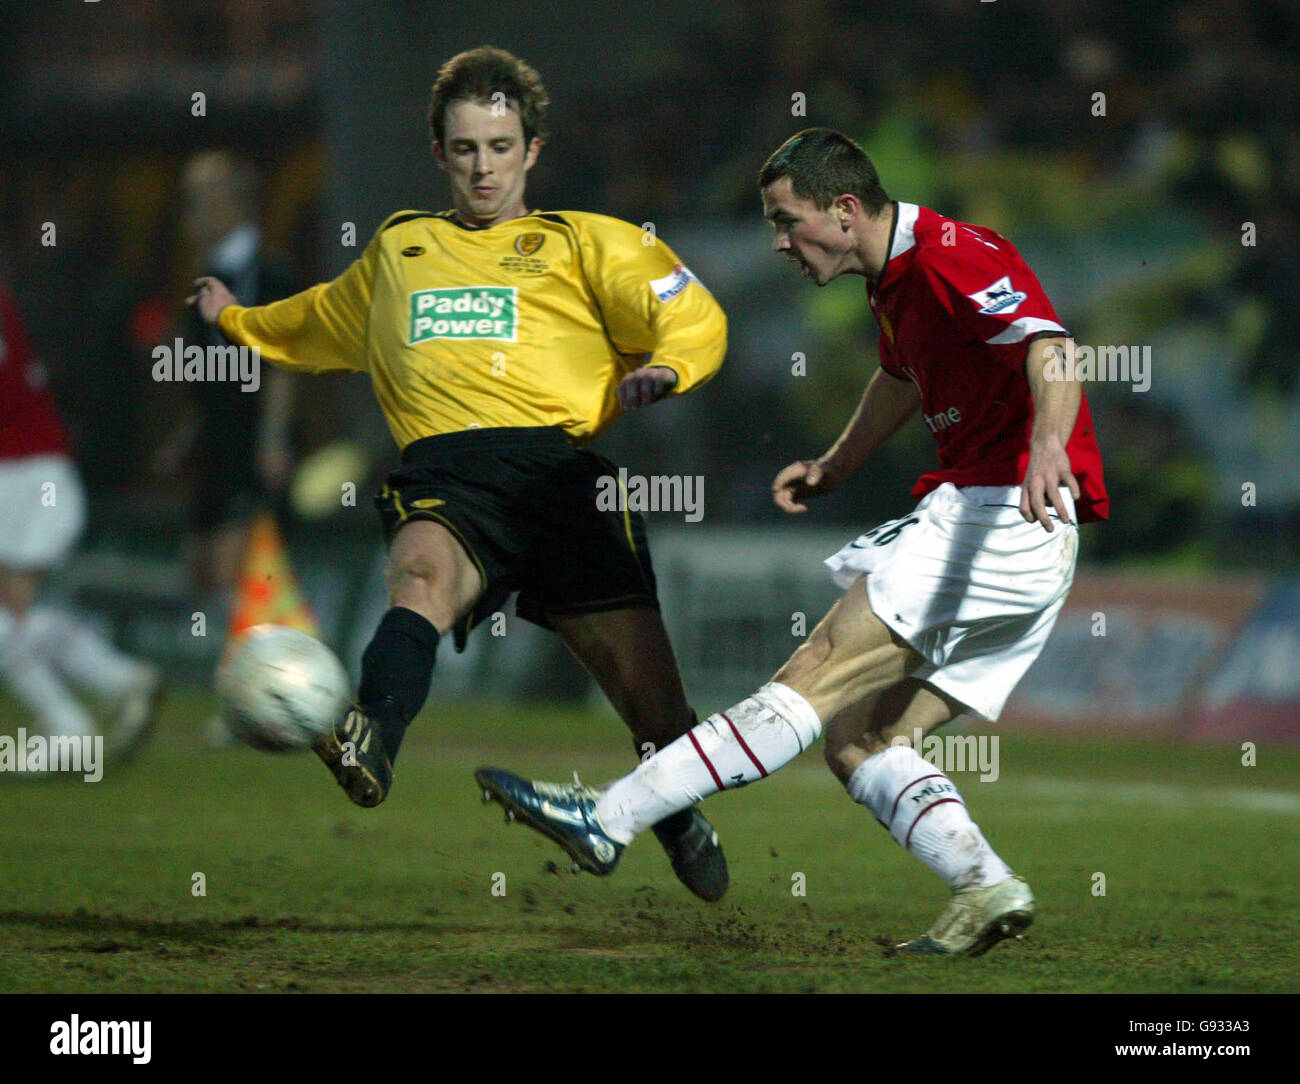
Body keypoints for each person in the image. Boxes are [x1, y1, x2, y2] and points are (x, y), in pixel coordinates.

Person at [476, 127, 1109, 955]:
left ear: (845, 211)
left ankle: (608, 818)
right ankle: (986, 886)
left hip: (1000, 514)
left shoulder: (956, 253)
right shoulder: (895, 282)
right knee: (860, 738)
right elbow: (898, 376)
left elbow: (1054, 350)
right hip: (1026, 542)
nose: (779, 243)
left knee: (813, 673)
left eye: (786, 221)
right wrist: (836, 463)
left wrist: (1050, 449)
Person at [187, 47, 731, 901]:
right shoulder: (399, 250)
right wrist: (238, 318)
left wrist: (668, 369)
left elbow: (690, 314)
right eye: (467, 148)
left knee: (653, 705)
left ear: (533, 151)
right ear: (439, 153)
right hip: (448, 473)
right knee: (419, 577)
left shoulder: (586, 244)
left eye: (502, 146)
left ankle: (675, 814)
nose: (484, 166)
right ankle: (373, 737)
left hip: (559, 476)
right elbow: (316, 322)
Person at [0, 282, 161, 763]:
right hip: (24, 473)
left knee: (13, 608)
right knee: (13, 611)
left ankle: (81, 717)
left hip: (31, 478)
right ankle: (109, 692)